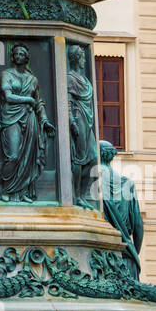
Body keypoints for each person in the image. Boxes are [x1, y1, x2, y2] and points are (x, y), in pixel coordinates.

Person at [0, 45, 55, 202]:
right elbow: (8, 96)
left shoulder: (32, 80)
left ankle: (20, 193)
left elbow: (39, 102)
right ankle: (4, 188)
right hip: (10, 117)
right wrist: (28, 99)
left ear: (27, 57)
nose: (19, 56)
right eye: (16, 54)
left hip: (29, 118)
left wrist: (45, 120)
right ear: (12, 57)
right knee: (14, 156)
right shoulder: (6, 74)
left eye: (22, 54)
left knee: (26, 158)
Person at [99, 141, 143, 280]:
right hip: (125, 253)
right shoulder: (128, 184)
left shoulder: (92, 177)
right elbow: (138, 226)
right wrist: (133, 251)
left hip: (100, 254)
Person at [66, 44, 99, 208]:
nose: (84, 59)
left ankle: (82, 195)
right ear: (76, 58)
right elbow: (68, 100)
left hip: (87, 119)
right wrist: (71, 121)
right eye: (82, 57)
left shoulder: (84, 79)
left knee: (93, 158)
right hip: (78, 117)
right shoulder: (70, 78)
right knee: (79, 158)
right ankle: (76, 196)